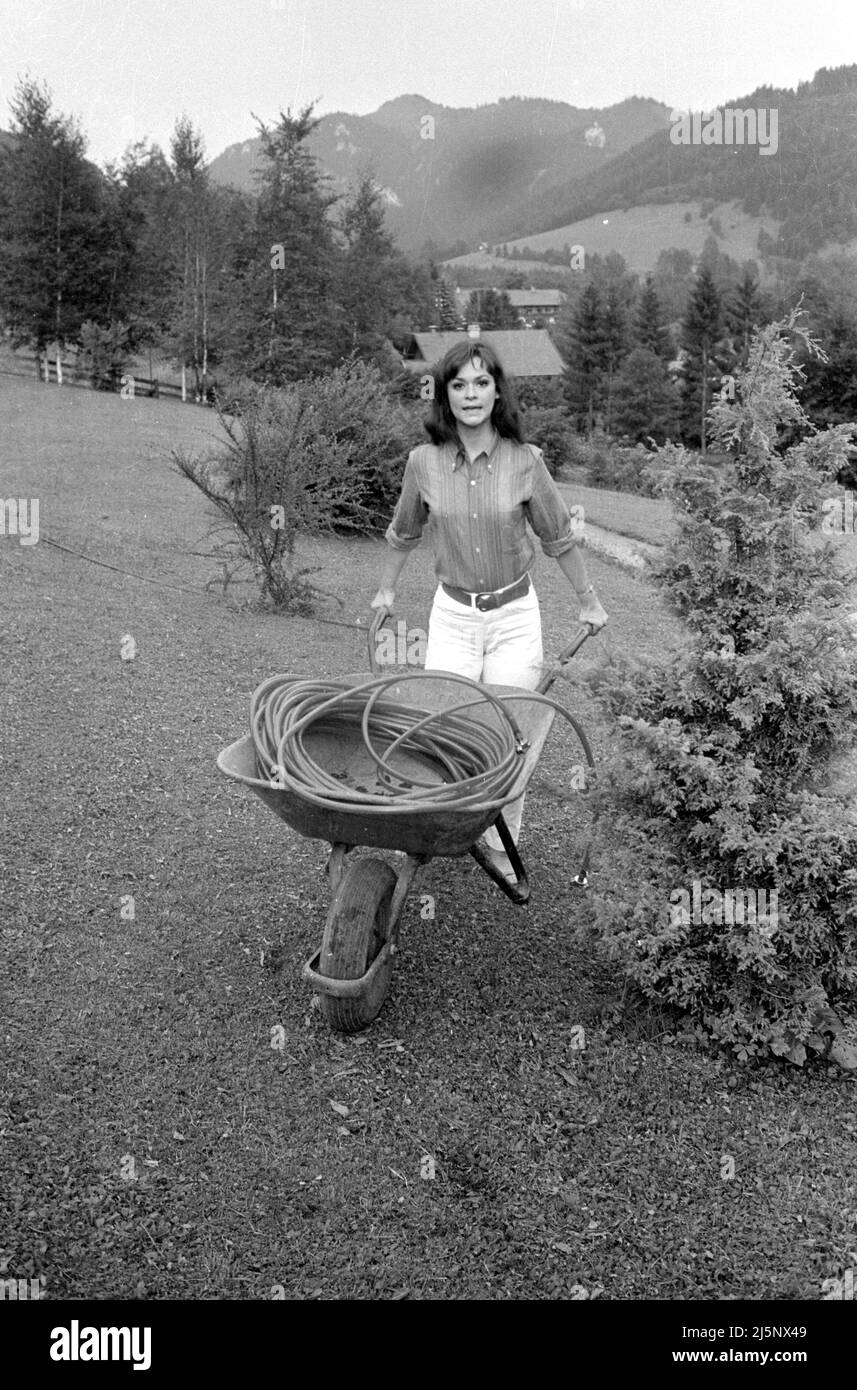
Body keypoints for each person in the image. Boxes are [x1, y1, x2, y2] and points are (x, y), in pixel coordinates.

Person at [370, 339, 608, 885]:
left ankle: (503, 840)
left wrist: (588, 601)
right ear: (444, 395)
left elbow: (559, 537)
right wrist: (385, 592)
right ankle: (451, 827)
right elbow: (404, 533)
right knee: (447, 730)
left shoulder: (526, 462)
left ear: (497, 390)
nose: (470, 394)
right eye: (459, 385)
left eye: (481, 382)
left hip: (514, 620)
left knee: (512, 733)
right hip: (451, 617)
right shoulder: (423, 463)